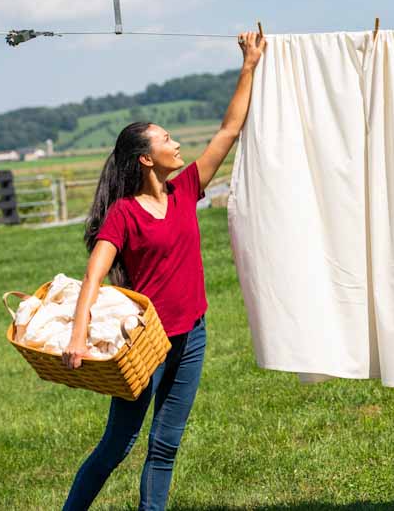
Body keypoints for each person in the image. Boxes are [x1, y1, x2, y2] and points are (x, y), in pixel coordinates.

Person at [60, 30, 266, 511]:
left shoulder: (187, 188)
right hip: (145, 344)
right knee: (118, 446)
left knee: (165, 446)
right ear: (146, 158)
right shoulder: (124, 214)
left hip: (193, 336)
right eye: (167, 139)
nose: (178, 144)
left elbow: (228, 132)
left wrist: (249, 65)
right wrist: (77, 333)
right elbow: (94, 275)